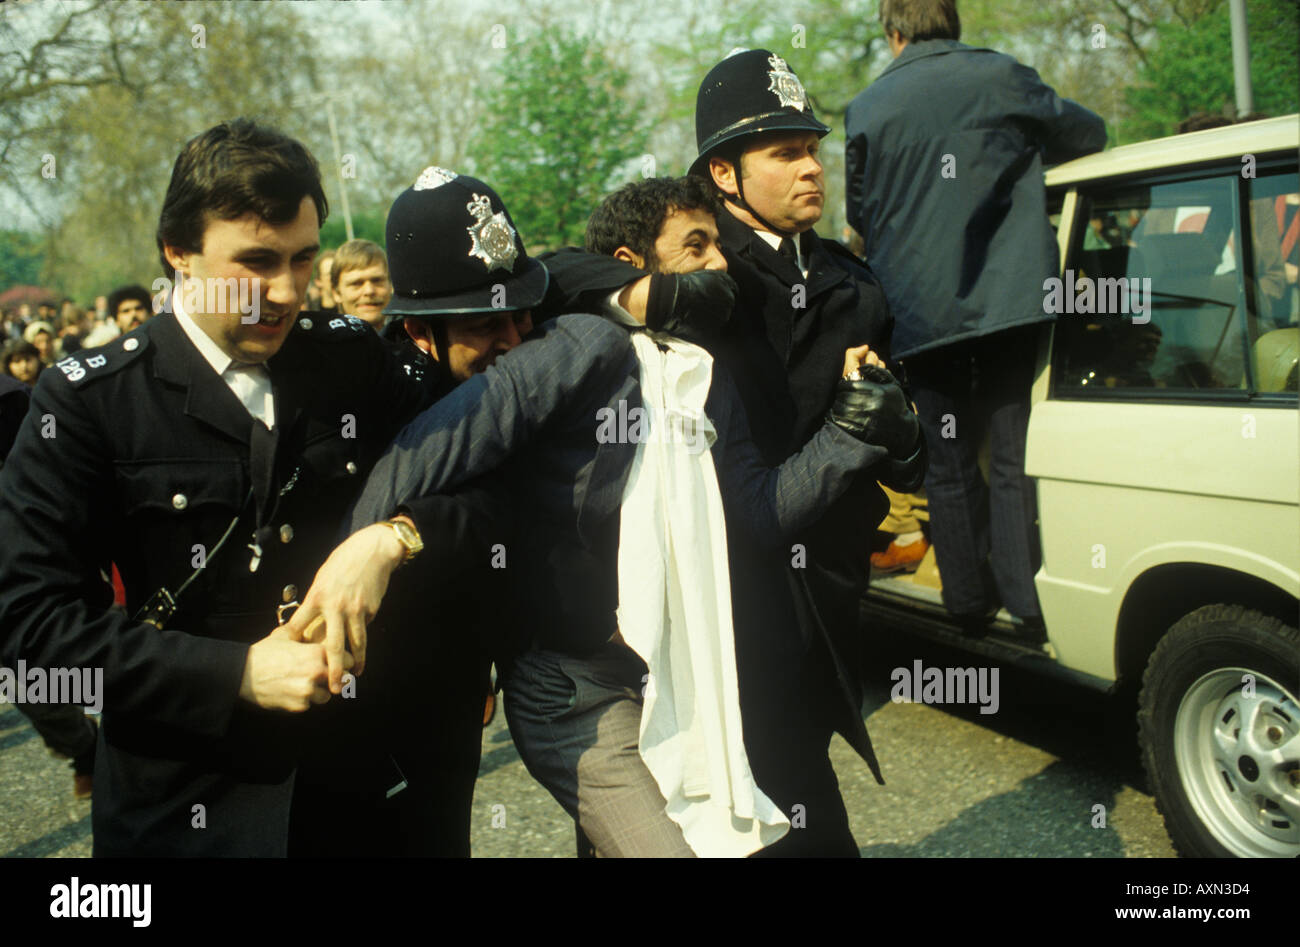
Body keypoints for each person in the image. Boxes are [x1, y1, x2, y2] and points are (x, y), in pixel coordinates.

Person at [288, 170, 920, 857]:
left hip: (671, 675)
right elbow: (424, 463)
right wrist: (369, 552)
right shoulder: (551, 356)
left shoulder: (694, 371)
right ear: (418, 331)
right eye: (697, 247)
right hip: (559, 689)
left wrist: (851, 436)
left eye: (521, 313)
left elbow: (757, 514)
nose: (512, 336)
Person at [0, 117, 470, 857]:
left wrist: (394, 536)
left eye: (303, 259)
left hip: (363, 799)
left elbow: (478, 469)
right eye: (255, 262)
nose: (284, 292)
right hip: (182, 812)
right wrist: (235, 674)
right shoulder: (86, 402)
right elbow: (29, 626)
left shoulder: (352, 362)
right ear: (178, 252)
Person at [541, 48, 919, 855]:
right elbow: (543, 281)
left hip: (816, 605)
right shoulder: (695, 263)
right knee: (672, 818)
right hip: (701, 602)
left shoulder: (858, 287)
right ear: (724, 171)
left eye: (813, 147)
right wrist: (649, 291)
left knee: (790, 811)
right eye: (783, 152)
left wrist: (901, 426)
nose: (812, 167)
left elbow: (908, 448)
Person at [845, 0, 1107, 637]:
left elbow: (859, 212)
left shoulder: (868, 107)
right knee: (1014, 453)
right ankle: (1027, 601)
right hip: (1008, 301)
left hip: (917, 311)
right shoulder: (1004, 77)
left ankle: (965, 602)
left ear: (894, 32)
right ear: (954, 24)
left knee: (947, 459)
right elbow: (1089, 136)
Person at [330, 238, 393, 329]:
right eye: (356, 284)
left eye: (377, 281)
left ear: (390, 285)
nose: (369, 291)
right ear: (336, 293)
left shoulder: (414, 338)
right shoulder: (321, 343)